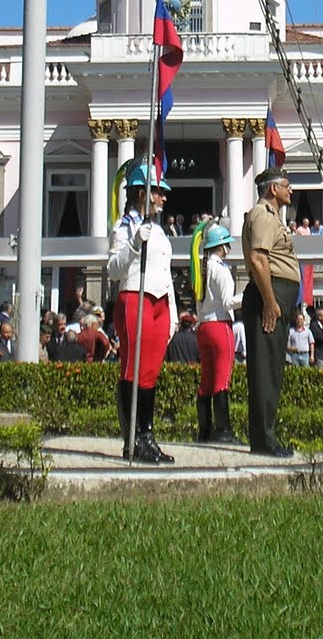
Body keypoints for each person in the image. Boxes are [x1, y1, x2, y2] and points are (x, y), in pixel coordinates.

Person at [106, 162, 178, 464]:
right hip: (135, 296)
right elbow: (113, 270)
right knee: (134, 370)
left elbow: (166, 272)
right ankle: (133, 439)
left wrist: (172, 311)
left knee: (151, 372)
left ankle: (148, 435)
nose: (163, 198)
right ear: (142, 193)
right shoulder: (124, 228)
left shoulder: (159, 231)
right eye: (158, 192)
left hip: (160, 301)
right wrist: (135, 243)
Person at [242, 168, 300, 458]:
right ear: (273, 189)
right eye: (287, 185)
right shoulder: (263, 215)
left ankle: (266, 435)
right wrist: (269, 301)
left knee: (273, 368)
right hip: (270, 291)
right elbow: (258, 258)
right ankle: (265, 440)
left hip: (276, 291)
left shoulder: (272, 216)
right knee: (266, 370)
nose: (291, 190)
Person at [195, 223, 238, 443]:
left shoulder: (201, 268)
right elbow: (228, 302)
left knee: (206, 381)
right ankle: (224, 431)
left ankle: (204, 431)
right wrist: (249, 296)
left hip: (203, 326)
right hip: (220, 326)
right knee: (222, 380)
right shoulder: (220, 269)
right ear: (223, 246)